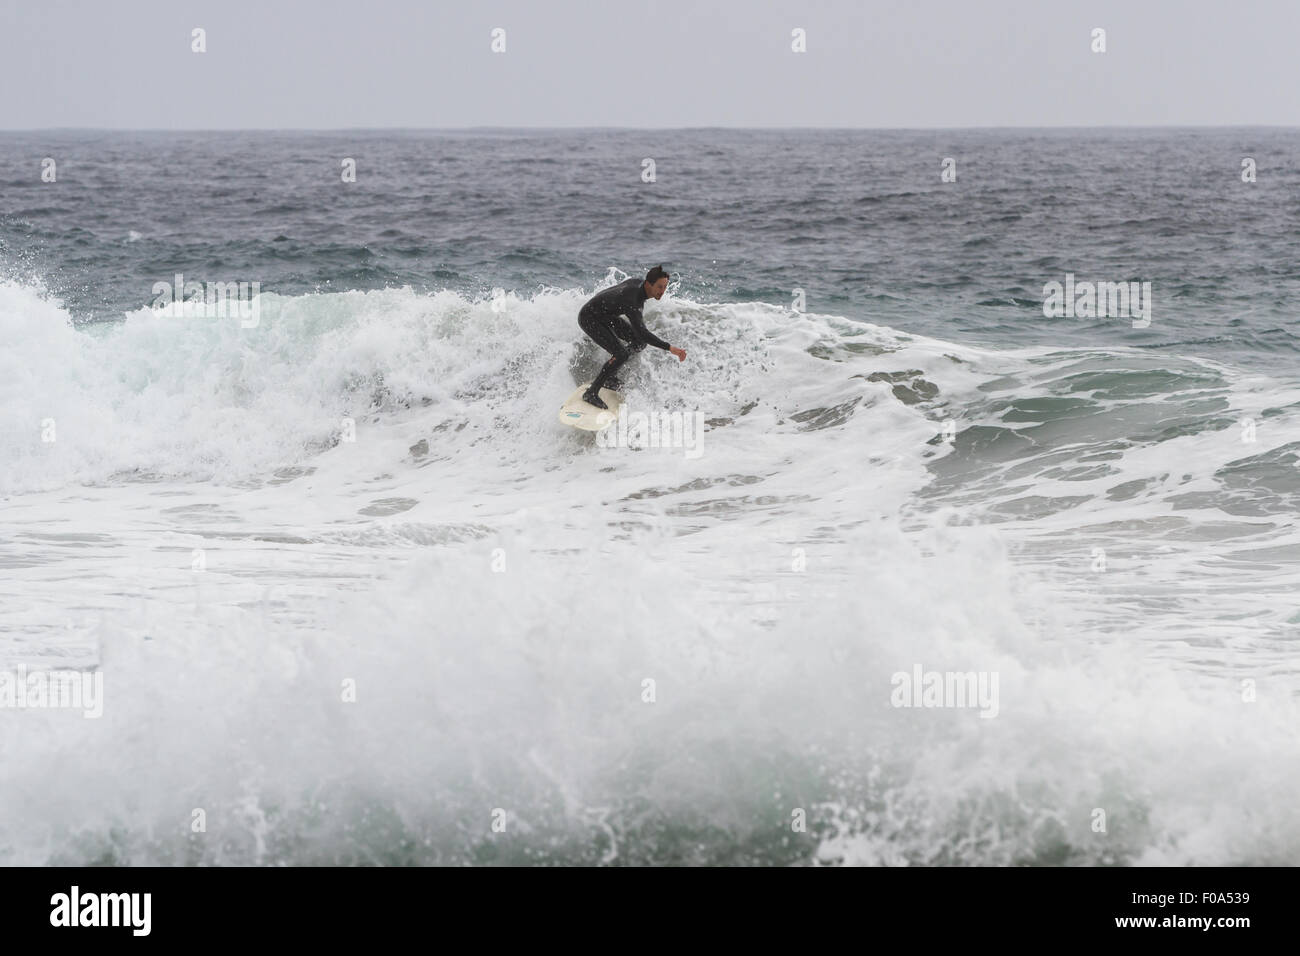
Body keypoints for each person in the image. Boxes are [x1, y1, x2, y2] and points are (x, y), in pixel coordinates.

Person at [577, 265, 686, 408]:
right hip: (589, 318)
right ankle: (591, 393)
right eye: (659, 287)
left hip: (605, 315)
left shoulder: (638, 285)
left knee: (638, 343)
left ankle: (610, 376)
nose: (662, 291)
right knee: (621, 354)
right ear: (648, 284)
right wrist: (669, 347)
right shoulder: (633, 303)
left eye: (665, 287)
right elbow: (643, 333)